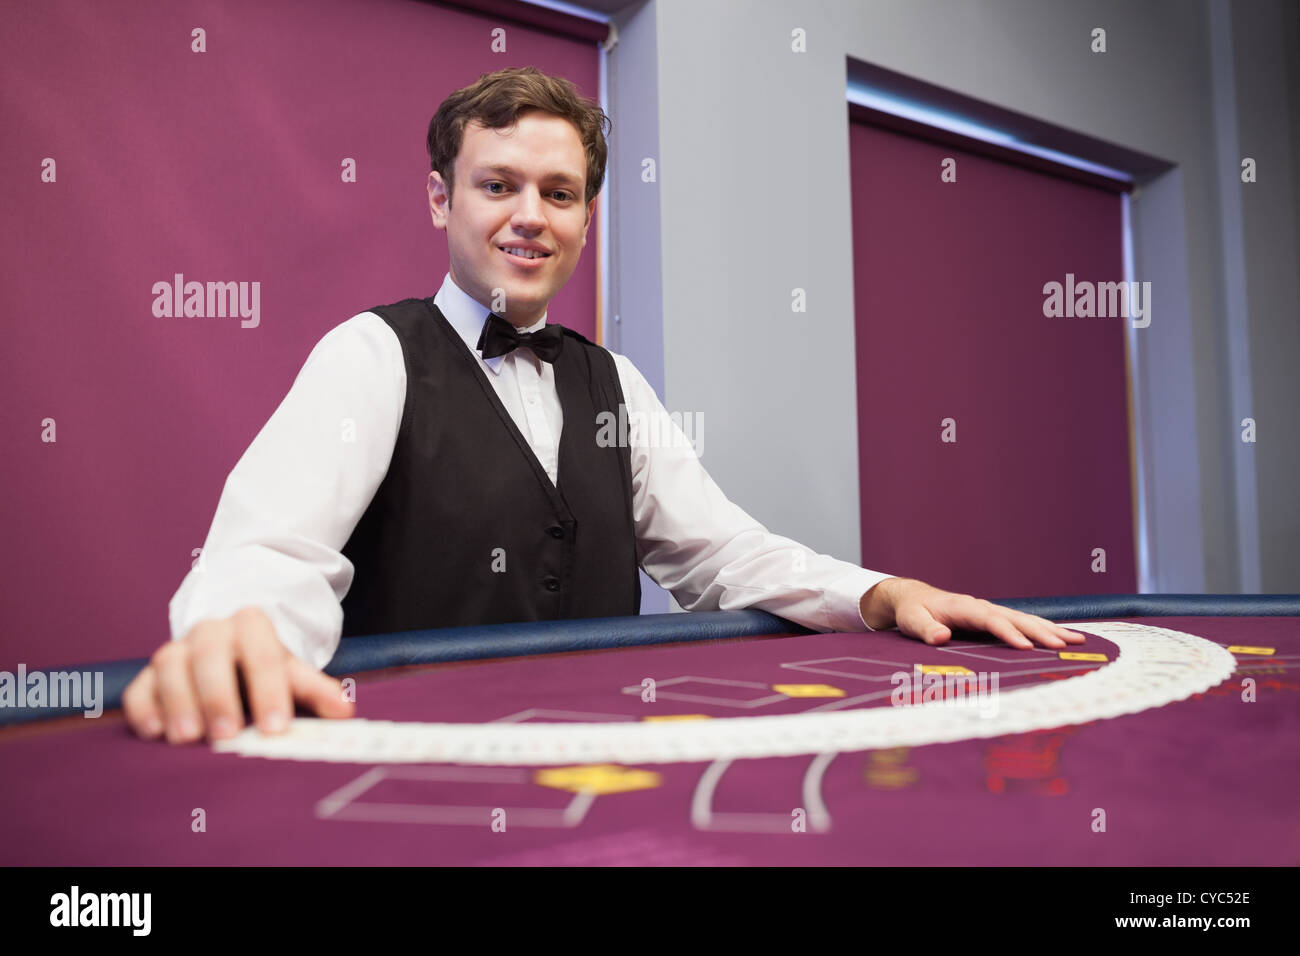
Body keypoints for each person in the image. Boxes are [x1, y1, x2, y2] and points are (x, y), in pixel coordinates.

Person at [123, 67, 1084, 746]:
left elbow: (722, 556)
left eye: (560, 192)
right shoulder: (370, 354)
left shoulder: (615, 383)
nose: (530, 216)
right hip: (409, 772)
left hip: (600, 765)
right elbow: (269, 552)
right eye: (497, 185)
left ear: (587, 217)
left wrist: (879, 593)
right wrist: (232, 634)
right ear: (438, 199)